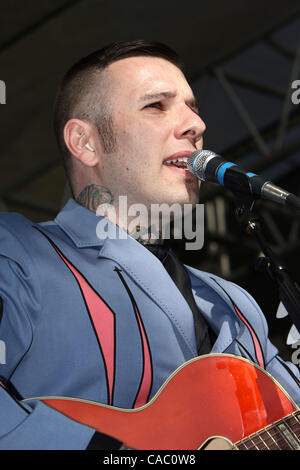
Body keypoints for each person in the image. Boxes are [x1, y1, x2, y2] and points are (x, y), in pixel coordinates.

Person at [0, 40, 299, 450]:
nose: (196, 125)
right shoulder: (16, 254)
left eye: (194, 107)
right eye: (157, 106)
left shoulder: (232, 303)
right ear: (85, 143)